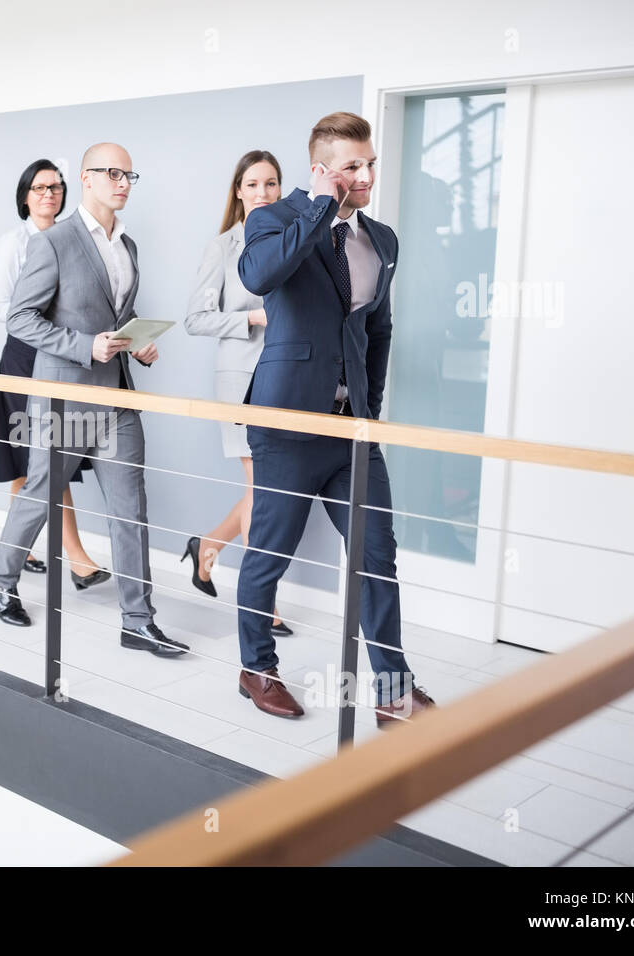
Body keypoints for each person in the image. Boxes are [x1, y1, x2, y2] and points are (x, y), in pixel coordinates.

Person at [235, 112, 435, 725]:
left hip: (353, 430)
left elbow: (378, 328)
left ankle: (393, 689)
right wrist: (320, 207)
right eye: (352, 166)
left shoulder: (383, 240)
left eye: (369, 163)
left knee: (378, 555)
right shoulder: (273, 218)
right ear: (321, 170)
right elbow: (259, 276)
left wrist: (369, 411)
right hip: (288, 422)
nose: (367, 174)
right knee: (271, 553)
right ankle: (256, 668)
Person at [0, 142, 188, 659]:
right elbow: (19, 318)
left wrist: (134, 342)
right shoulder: (54, 241)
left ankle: (138, 621)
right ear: (86, 177)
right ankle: (2, 579)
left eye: (129, 174)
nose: (123, 182)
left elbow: (114, 312)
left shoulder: (129, 246)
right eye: (112, 173)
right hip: (66, 401)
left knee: (131, 512)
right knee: (38, 495)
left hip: (117, 398)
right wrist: (84, 346)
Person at [183, 150, 292, 637]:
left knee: (265, 490)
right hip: (240, 380)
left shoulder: (294, 244)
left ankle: (207, 546)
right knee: (264, 492)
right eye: (253, 184)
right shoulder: (222, 247)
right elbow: (196, 319)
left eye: (271, 184)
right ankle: (261, 604)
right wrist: (253, 317)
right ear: (239, 191)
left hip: (288, 379)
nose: (263, 193)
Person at [0, 159, 107, 589]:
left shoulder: (74, 239)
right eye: (39, 188)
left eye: (56, 187)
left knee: (40, 462)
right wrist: (46, 317)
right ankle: (72, 557)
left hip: (68, 358)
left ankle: (28, 549)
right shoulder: (12, 243)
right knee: (40, 461)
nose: (49, 195)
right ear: (25, 196)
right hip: (25, 359)